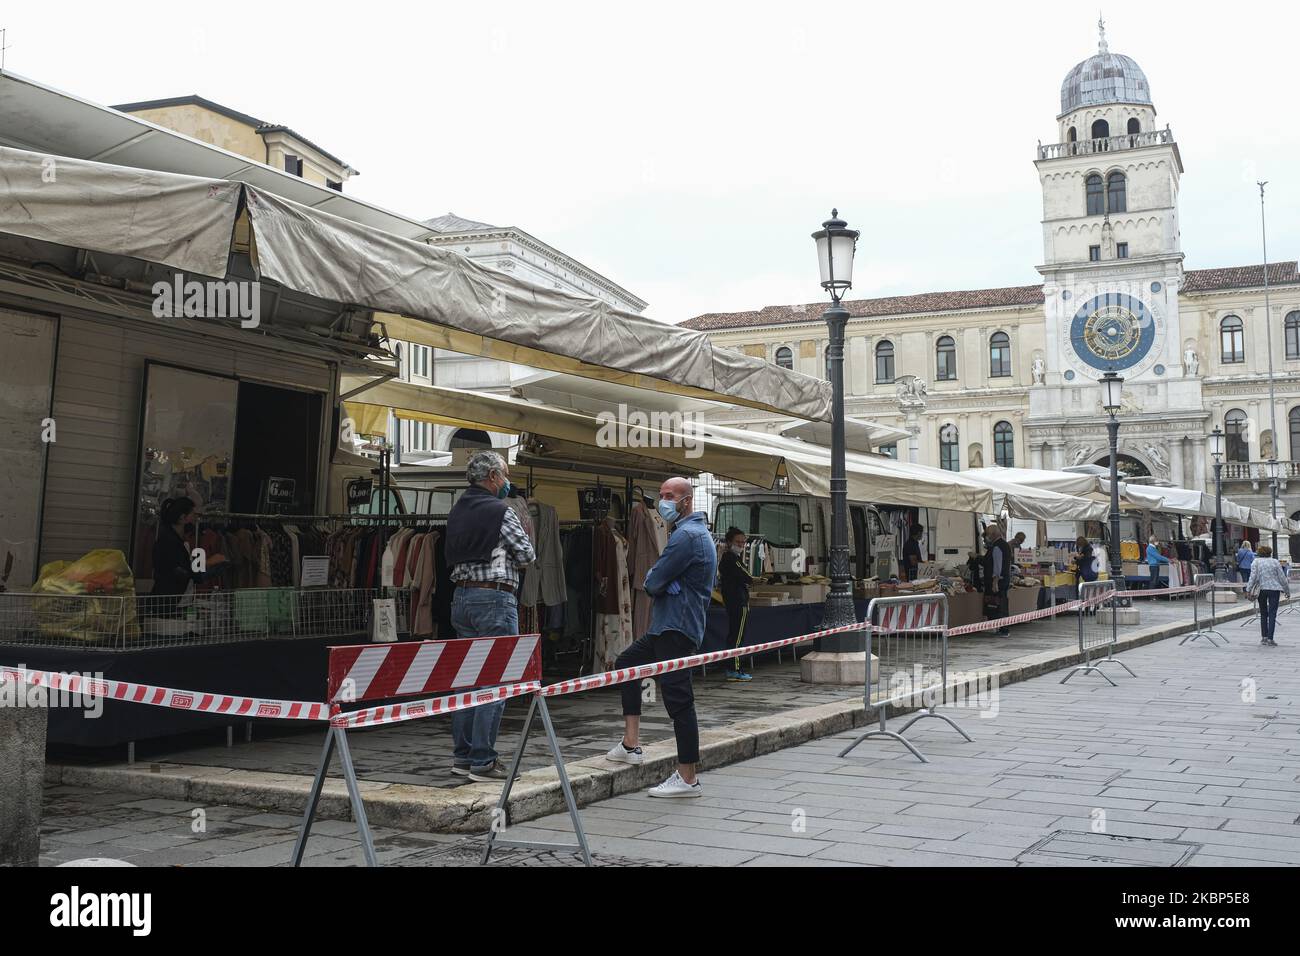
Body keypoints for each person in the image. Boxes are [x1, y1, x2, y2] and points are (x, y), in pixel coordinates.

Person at [605, 476, 716, 798]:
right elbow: (657, 578)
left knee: (679, 701)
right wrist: (664, 579)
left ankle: (688, 777)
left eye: (670, 495)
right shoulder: (689, 533)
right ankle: (631, 743)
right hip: (667, 625)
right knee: (627, 664)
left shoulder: (687, 537)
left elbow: (651, 582)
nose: (663, 500)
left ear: (686, 501)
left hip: (676, 627)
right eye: (661, 494)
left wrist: (662, 580)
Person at [445, 450, 536, 783]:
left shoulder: (457, 510)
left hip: (462, 599)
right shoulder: (502, 511)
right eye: (506, 474)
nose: (507, 481)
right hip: (494, 599)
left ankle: (462, 755)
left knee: (467, 678)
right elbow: (527, 554)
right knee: (496, 680)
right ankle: (483, 760)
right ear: (494, 476)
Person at [150, 497, 226, 608]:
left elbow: (194, 576)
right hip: (167, 604)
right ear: (182, 518)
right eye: (194, 514)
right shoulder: (167, 542)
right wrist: (209, 562)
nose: (197, 518)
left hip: (181, 602)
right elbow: (183, 569)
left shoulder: (182, 542)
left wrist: (214, 569)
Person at [718, 527, 753, 682]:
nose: (741, 545)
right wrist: (754, 580)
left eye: (743, 542)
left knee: (734, 635)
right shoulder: (731, 558)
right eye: (738, 542)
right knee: (737, 638)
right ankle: (735, 669)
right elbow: (747, 576)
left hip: (734, 601)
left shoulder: (731, 558)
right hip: (738, 602)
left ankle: (731, 668)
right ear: (729, 542)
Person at [1245, 544, 1289, 646]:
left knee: (1263, 613)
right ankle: (1270, 638)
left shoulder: (1256, 562)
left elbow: (1253, 577)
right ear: (1270, 553)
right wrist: (1287, 591)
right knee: (1272, 614)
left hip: (1262, 590)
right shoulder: (1275, 562)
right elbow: (1282, 578)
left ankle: (1264, 637)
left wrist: (1248, 590)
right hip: (1274, 589)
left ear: (1259, 553)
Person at [983, 525, 1013, 636]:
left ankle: (1002, 629)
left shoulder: (996, 547)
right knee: (1003, 604)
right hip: (1005, 579)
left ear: (993, 534)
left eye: (988, 534)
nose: (987, 537)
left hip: (998, 581)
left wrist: (995, 582)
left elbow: (997, 566)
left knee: (997, 605)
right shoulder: (1005, 545)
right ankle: (1002, 628)